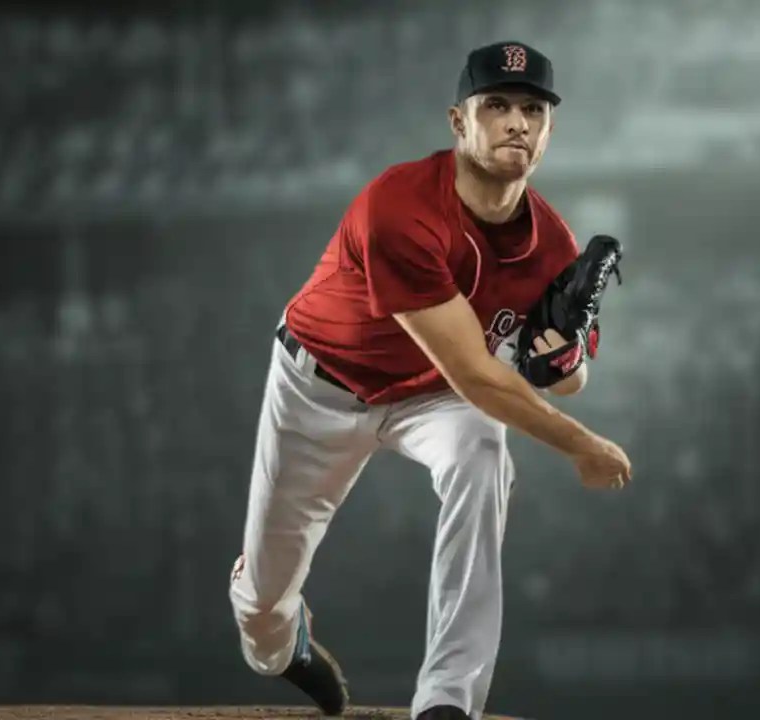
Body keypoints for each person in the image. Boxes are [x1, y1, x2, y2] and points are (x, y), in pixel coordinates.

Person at [228, 41, 633, 720]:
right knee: (264, 600)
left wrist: (560, 356)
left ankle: (447, 701)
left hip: (431, 396)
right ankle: (279, 642)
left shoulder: (554, 246)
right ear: (458, 122)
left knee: (483, 451)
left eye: (532, 109)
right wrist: (581, 446)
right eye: (495, 105)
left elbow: (567, 382)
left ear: (549, 130)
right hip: (321, 387)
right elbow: (479, 376)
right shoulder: (400, 206)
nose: (515, 122)